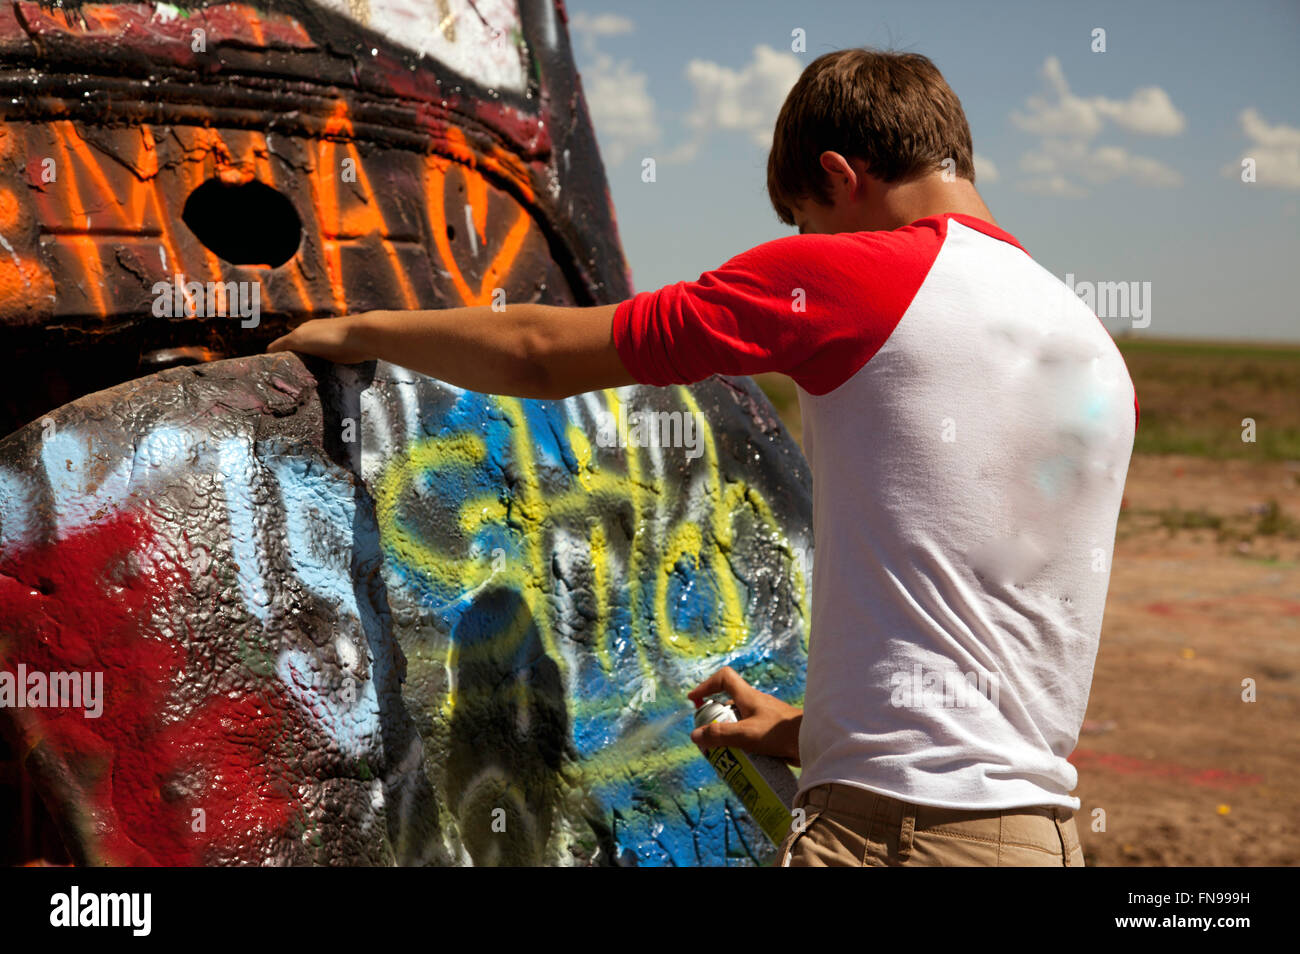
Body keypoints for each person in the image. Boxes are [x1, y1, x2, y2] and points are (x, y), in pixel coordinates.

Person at [268, 47, 1138, 867]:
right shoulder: (1088, 344)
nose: (809, 242)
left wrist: (355, 328)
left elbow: (539, 350)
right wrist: (812, 728)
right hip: (1035, 835)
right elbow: (986, 621)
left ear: (841, 175)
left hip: (893, 837)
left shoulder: (858, 280)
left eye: (807, 221)